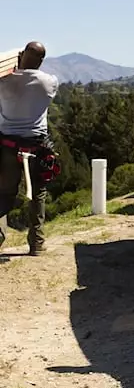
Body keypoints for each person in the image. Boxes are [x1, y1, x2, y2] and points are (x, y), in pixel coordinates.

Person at [0, 41, 59, 255]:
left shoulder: (4, 82)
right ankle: (37, 243)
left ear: (21, 55)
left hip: (7, 144)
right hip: (37, 145)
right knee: (38, 193)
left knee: (4, 193)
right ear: (41, 61)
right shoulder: (50, 82)